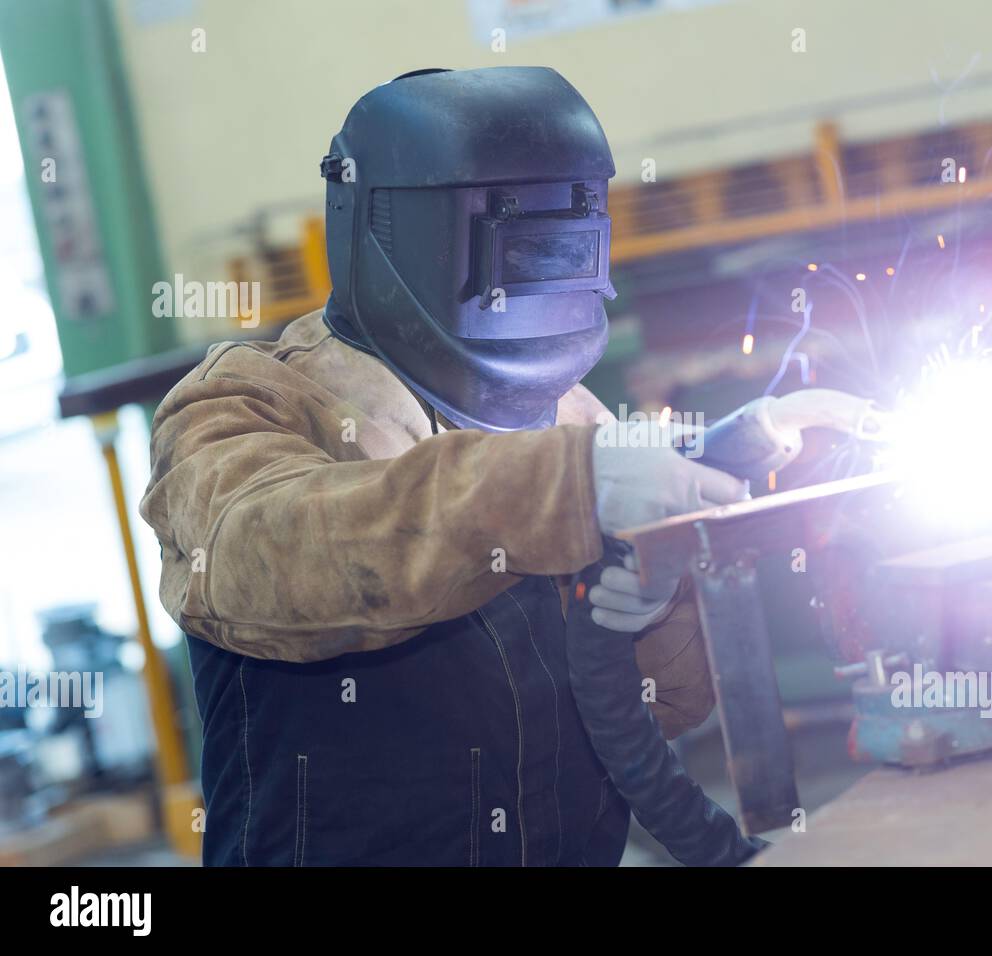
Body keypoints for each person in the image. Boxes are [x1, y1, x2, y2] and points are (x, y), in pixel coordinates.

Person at [139, 66, 747, 866]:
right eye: (516, 246)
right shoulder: (250, 404)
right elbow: (267, 551)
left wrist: (661, 597)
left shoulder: (572, 417)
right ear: (387, 230)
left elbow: (662, 709)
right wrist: (563, 489)